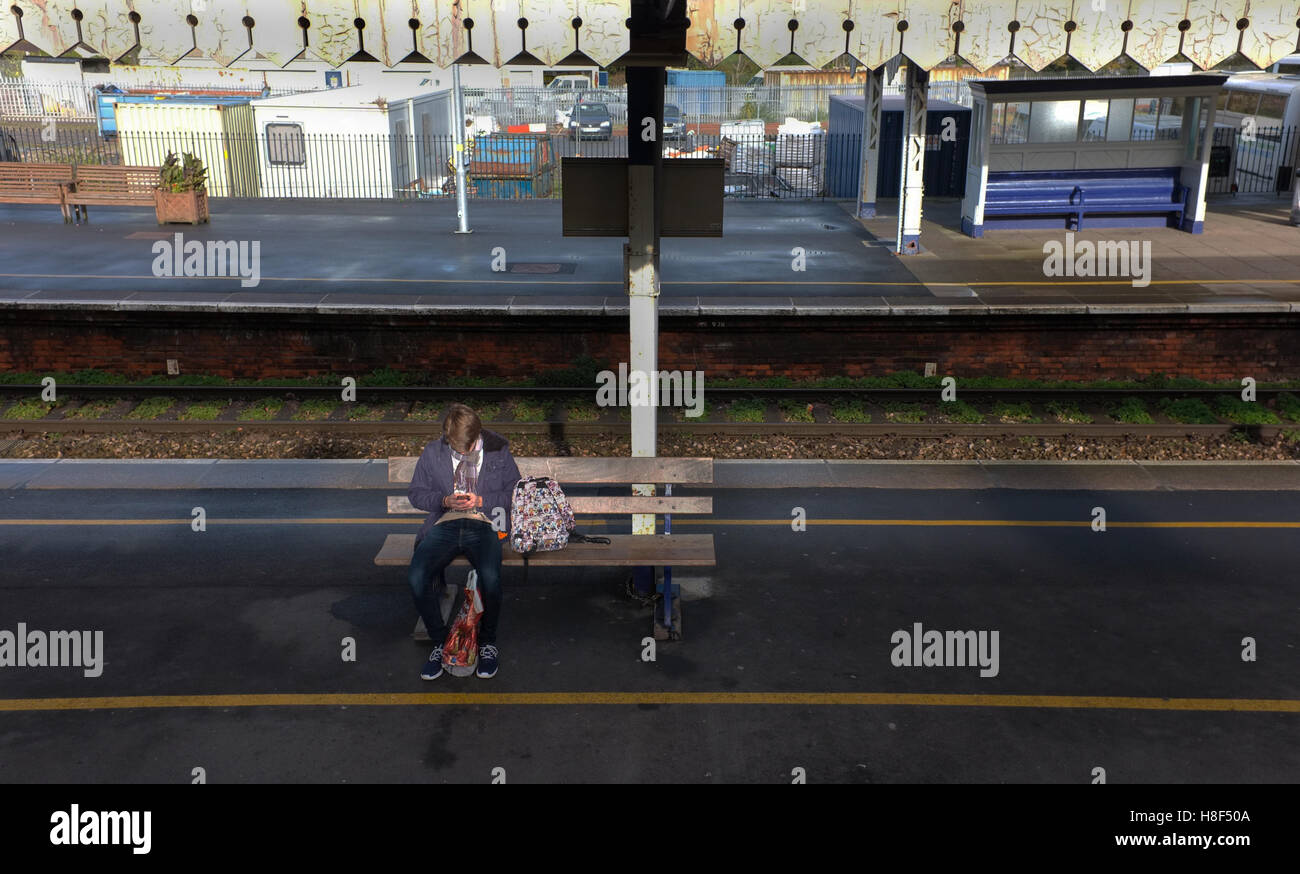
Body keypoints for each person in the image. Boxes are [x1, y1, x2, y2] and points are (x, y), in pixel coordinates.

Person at [407, 403, 521, 680]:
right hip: (445, 522)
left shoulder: (498, 450)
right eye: (456, 450)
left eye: (467, 448)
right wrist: (443, 500)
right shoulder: (433, 452)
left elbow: (515, 493)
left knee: (491, 579)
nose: (462, 453)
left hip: (485, 523)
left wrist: (482, 500)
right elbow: (416, 493)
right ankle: (441, 641)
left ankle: (487, 642)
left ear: (477, 435)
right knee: (417, 577)